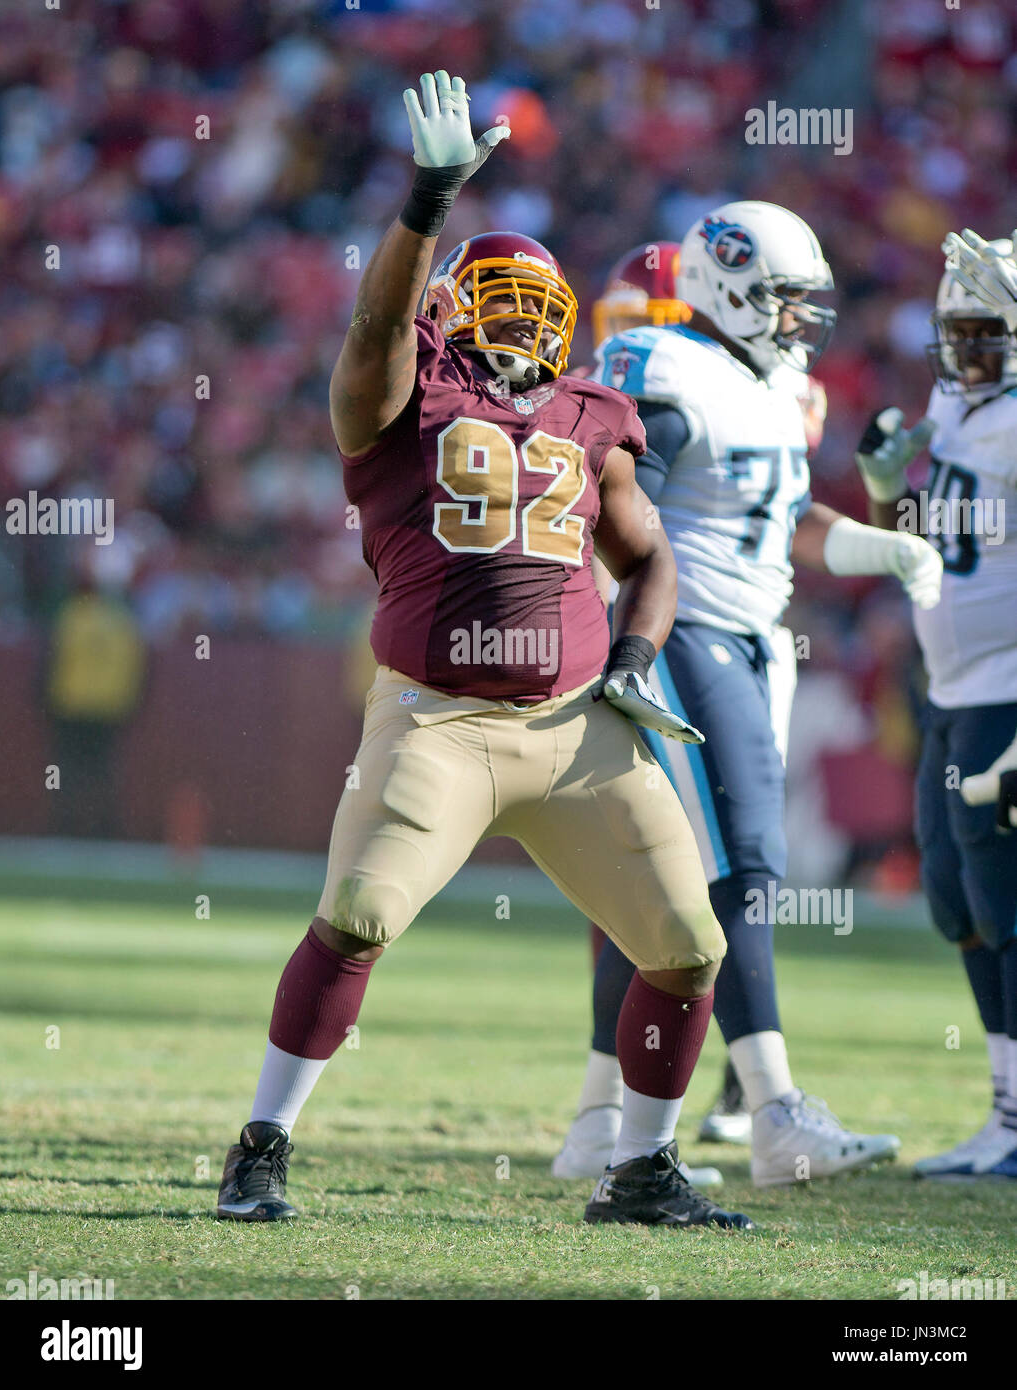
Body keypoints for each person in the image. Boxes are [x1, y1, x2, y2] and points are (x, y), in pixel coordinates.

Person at [215, 71, 754, 1230]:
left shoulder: (591, 414)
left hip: (574, 725)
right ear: (454, 305)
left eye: (536, 301)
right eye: (495, 297)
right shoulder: (399, 392)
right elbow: (373, 328)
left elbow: (652, 558)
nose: (521, 319)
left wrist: (635, 656)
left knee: (689, 945)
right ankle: (261, 1144)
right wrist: (427, 202)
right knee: (356, 913)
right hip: (437, 716)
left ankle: (642, 1168)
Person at [554, 205, 943, 1188]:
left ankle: (601, 1122)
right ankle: (774, 1111)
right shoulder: (670, 367)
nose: (798, 319)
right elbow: (613, 496)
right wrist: (623, 634)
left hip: (752, 638)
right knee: (746, 867)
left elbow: (780, 525)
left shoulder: (768, 386)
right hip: (687, 636)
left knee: (667, 886)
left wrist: (879, 543)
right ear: (725, 286)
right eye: (780, 298)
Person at [854, 227, 1017, 1179]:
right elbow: (930, 539)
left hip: (1006, 695)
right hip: (949, 693)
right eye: (957, 335)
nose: (967, 356)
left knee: (1008, 901)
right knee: (959, 900)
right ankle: (1004, 1112)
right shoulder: (956, 405)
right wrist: (887, 493)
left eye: (987, 336)